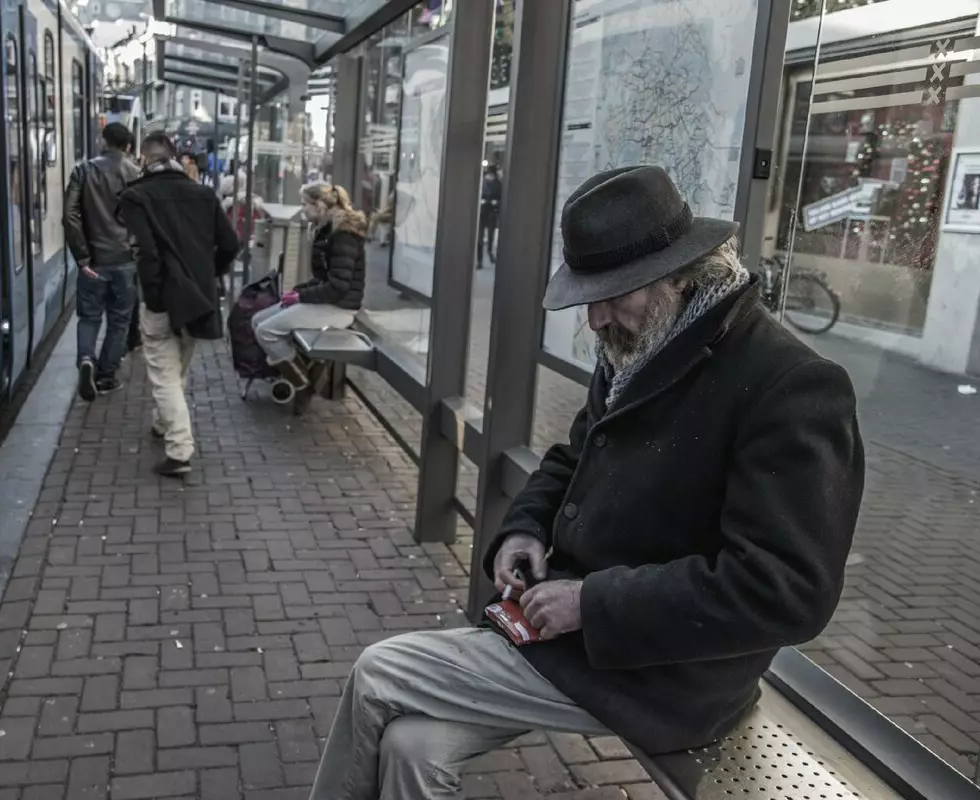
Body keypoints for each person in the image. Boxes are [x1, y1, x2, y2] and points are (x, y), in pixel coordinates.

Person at [307, 165, 866, 800]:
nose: (596, 319)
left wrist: (591, 602)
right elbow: (575, 454)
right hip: (581, 639)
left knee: (378, 671)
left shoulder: (790, 384)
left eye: (613, 293)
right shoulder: (650, 339)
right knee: (413, 748)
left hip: (662, 674)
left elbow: (788, 591)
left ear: (680, 273)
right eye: (589, 295)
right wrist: (523, 528)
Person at [118, 133, 239, 477]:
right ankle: (161, 422)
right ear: (174, 157)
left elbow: (145, 252)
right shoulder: (203, 195)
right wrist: (208, 272)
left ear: (144, 160)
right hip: (197, 298)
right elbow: (231, 243)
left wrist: (154, 296)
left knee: (164, 374)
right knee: (178, 368)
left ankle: (179, 450)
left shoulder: (135, 197)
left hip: (160, 300)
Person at [251, 183, 367, 393]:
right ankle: (301, 372)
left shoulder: (342, 235)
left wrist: (301, 296)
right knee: (258, 320)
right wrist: (298, 292)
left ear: (320, 205)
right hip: (329, 302)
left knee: (266, 331)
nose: (302, 209)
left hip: (340, 308)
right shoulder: (326, 229)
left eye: (305, 204)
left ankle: (302, 383)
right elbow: (324, 278)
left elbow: (339, 286)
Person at [63, 121, 140, 401]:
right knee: (120, 320)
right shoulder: (137, 174)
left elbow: (70, 216)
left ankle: (86, 358)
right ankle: (106, 376)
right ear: (128, 146)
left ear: (103, 141)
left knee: (89, 316)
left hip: (93, 263)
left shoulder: (83, 171)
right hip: (125, 262)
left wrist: (82, 256)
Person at [477, 165, 501, 268]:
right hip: (482, 211)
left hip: (492, 211)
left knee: (490, 236)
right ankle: (479, 260)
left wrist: (496, 202)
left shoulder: (498, 185)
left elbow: (501, 198)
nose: (490, 177)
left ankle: (490, 253)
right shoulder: (482, 183)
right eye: (488, 175)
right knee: (479, 238)